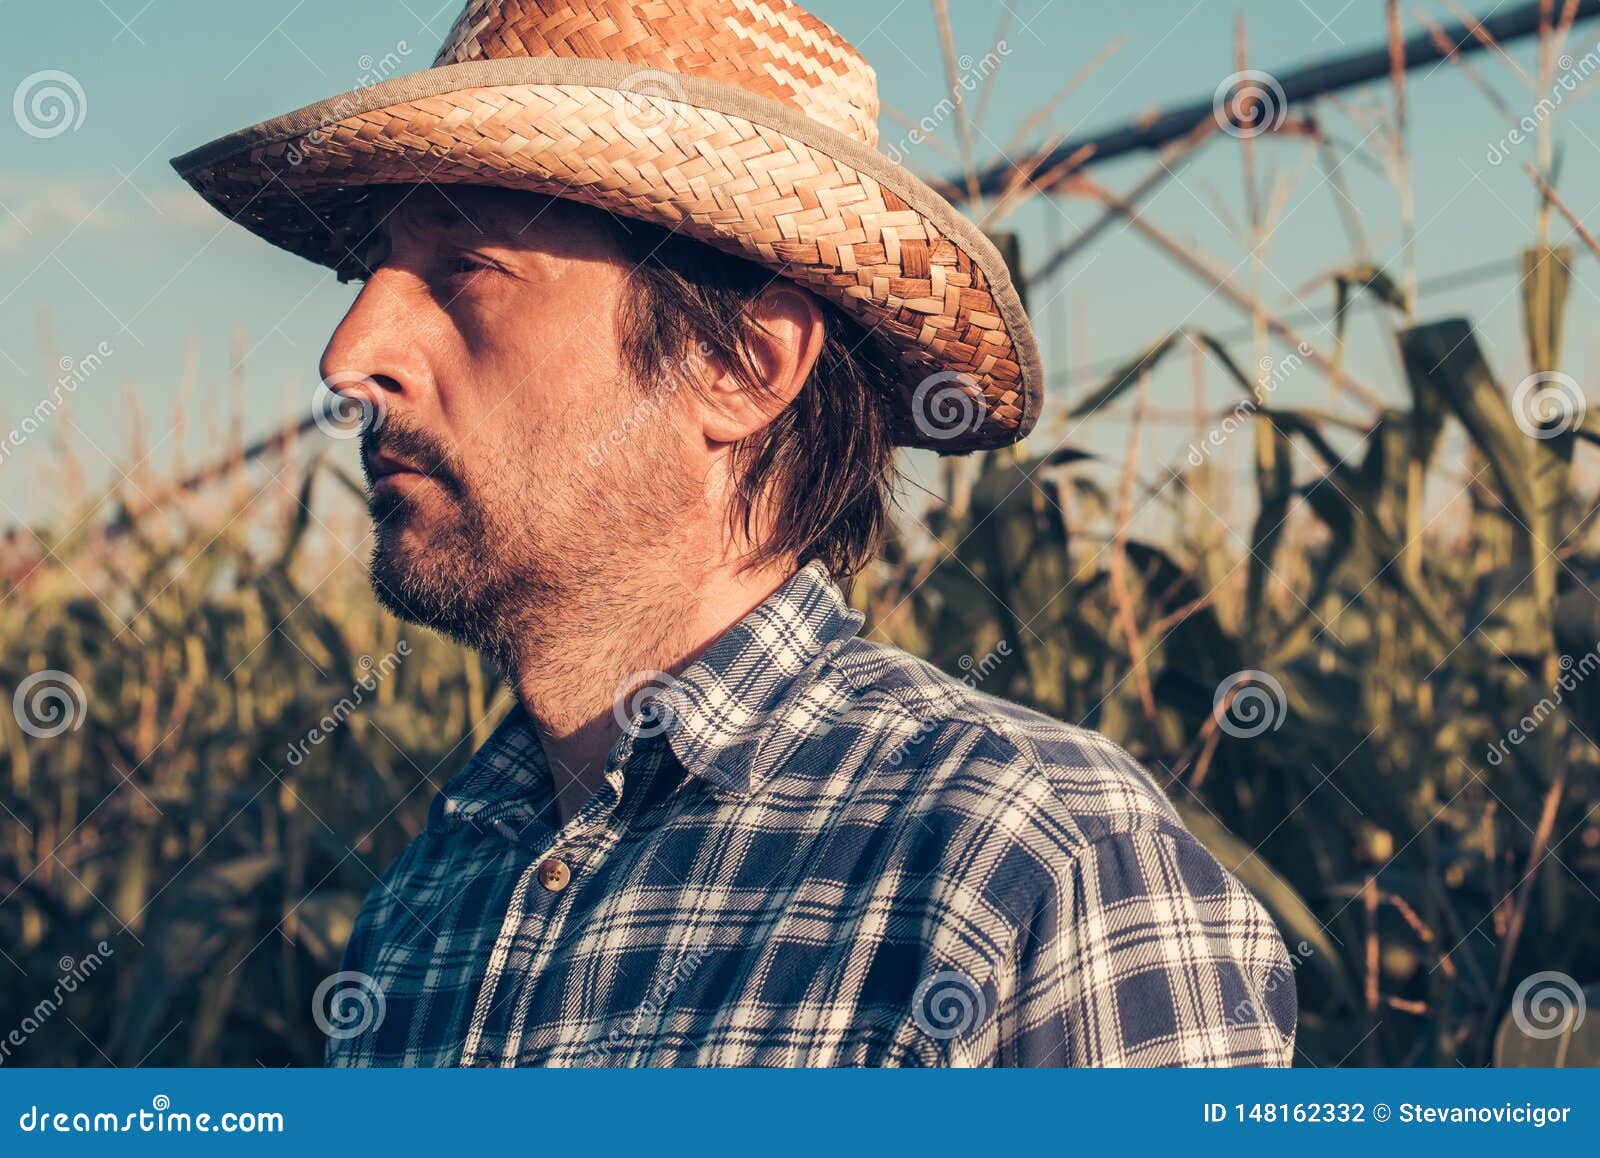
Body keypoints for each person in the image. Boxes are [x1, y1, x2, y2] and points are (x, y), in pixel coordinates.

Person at [172, 0, 1296, 1067]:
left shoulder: (1029, 869)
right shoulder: (430, 899)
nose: (349, 352)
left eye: (464, 267)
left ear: (739, 365)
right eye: (367, 271)